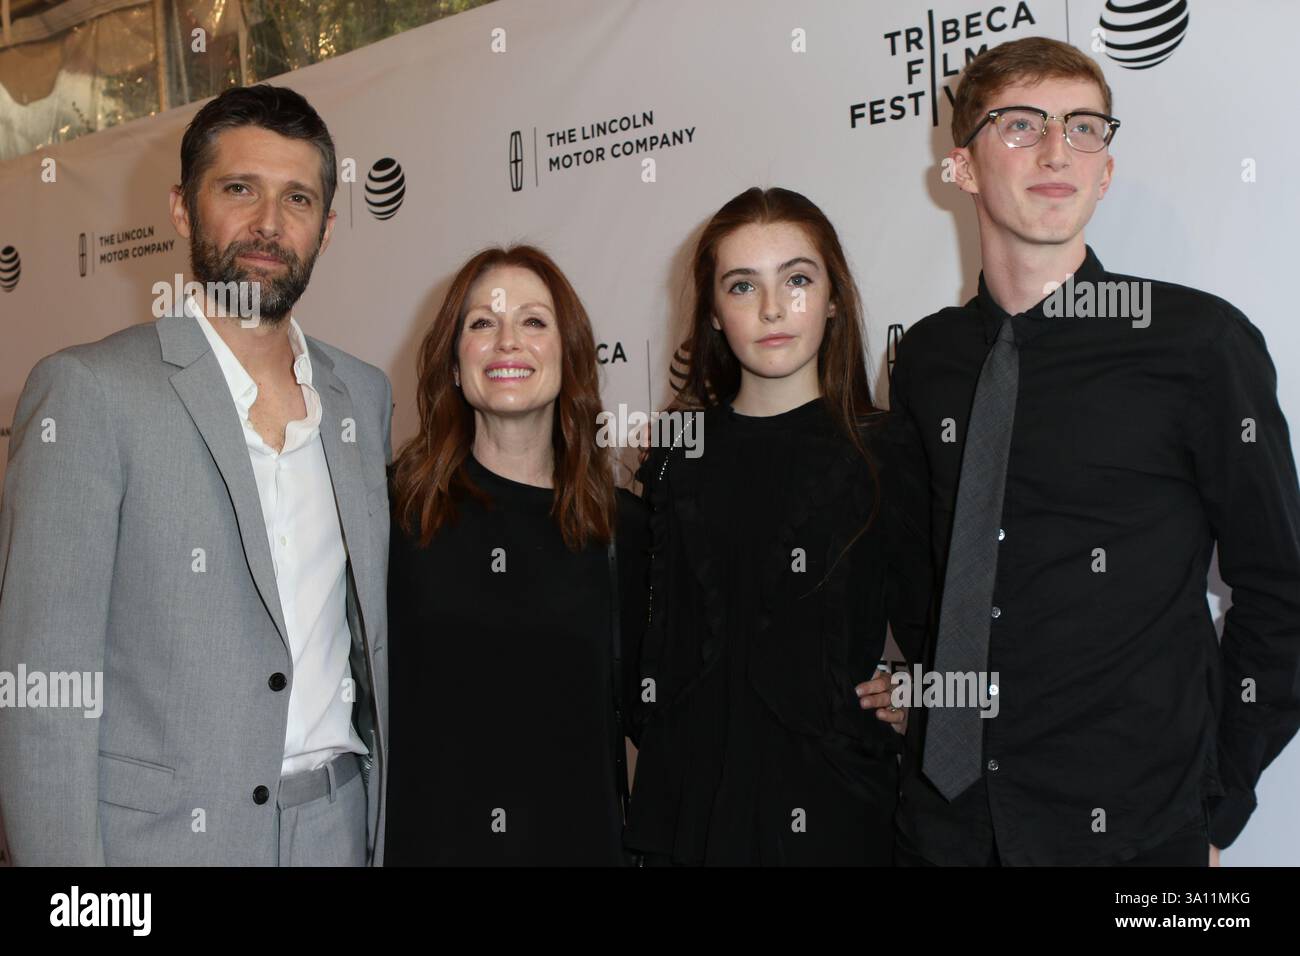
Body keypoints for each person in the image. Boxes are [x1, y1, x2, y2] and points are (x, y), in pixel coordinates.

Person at [892, 36, 1300, 866]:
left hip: (1135, 829)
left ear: (1105, 171)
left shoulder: (1199, 345)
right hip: (944, 827)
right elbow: (924, 569)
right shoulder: (927, 359)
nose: (1056, 151)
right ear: (963, 168)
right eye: (1020, 125)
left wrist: (1215, 801)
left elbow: (1282, 592)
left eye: (1084, 129)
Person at [0, 84, 392, 866]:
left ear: (328, 226)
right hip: (161, 848)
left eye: (298, 199)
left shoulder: (364, 397)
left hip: (338, 830)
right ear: (182, 208)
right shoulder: (89, 393)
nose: (269, 225)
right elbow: (44, 696)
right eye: (239, 189)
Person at [622, 186, 931, 866]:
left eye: (797, 278)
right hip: (688, 818)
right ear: (711, 312)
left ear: (832, 298)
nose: (772, 308)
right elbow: (650, 644)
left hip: (838, 815)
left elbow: (940, 624)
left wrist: (925, 693)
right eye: (741, 285)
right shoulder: (676, 453)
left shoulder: (885, 452)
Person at [384, 245, 649, 865]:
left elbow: (675, 716)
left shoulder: (621, 529)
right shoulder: (394, 513)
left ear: (570, 355)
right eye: (482, 323)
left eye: (533, 321)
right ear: (453, 363)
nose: (508, 342)